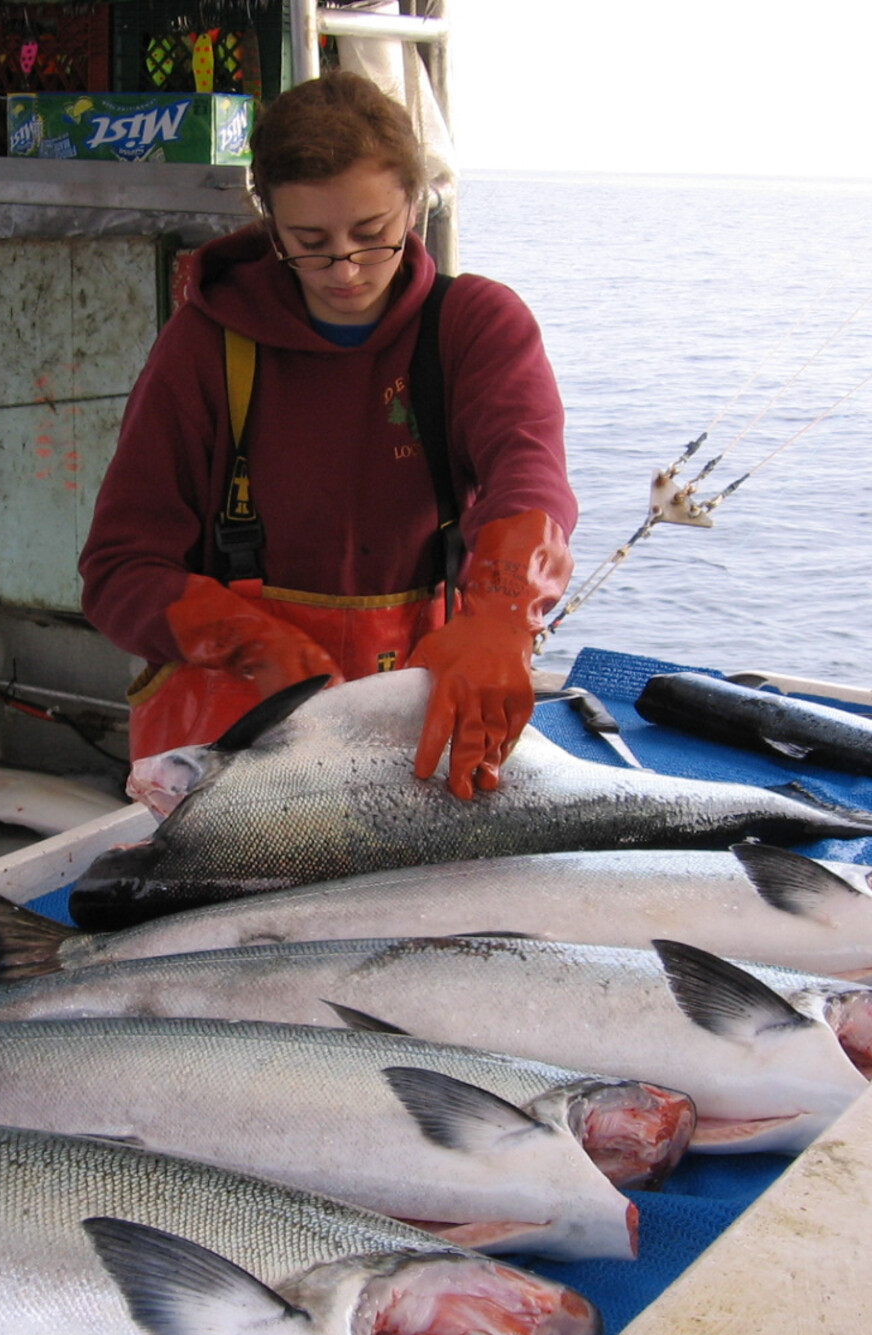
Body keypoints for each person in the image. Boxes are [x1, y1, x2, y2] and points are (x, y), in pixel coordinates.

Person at [78, 71, 575, 800]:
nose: (344, 269)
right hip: (233, 743)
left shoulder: (476, 326)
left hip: (413, 729)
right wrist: (253, 643)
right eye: (309, 242)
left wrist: (501, 617)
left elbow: (528, 480)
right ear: (268, 221)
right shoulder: (203, 347)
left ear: (415, 200)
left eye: (373, 235)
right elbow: (118, 571)